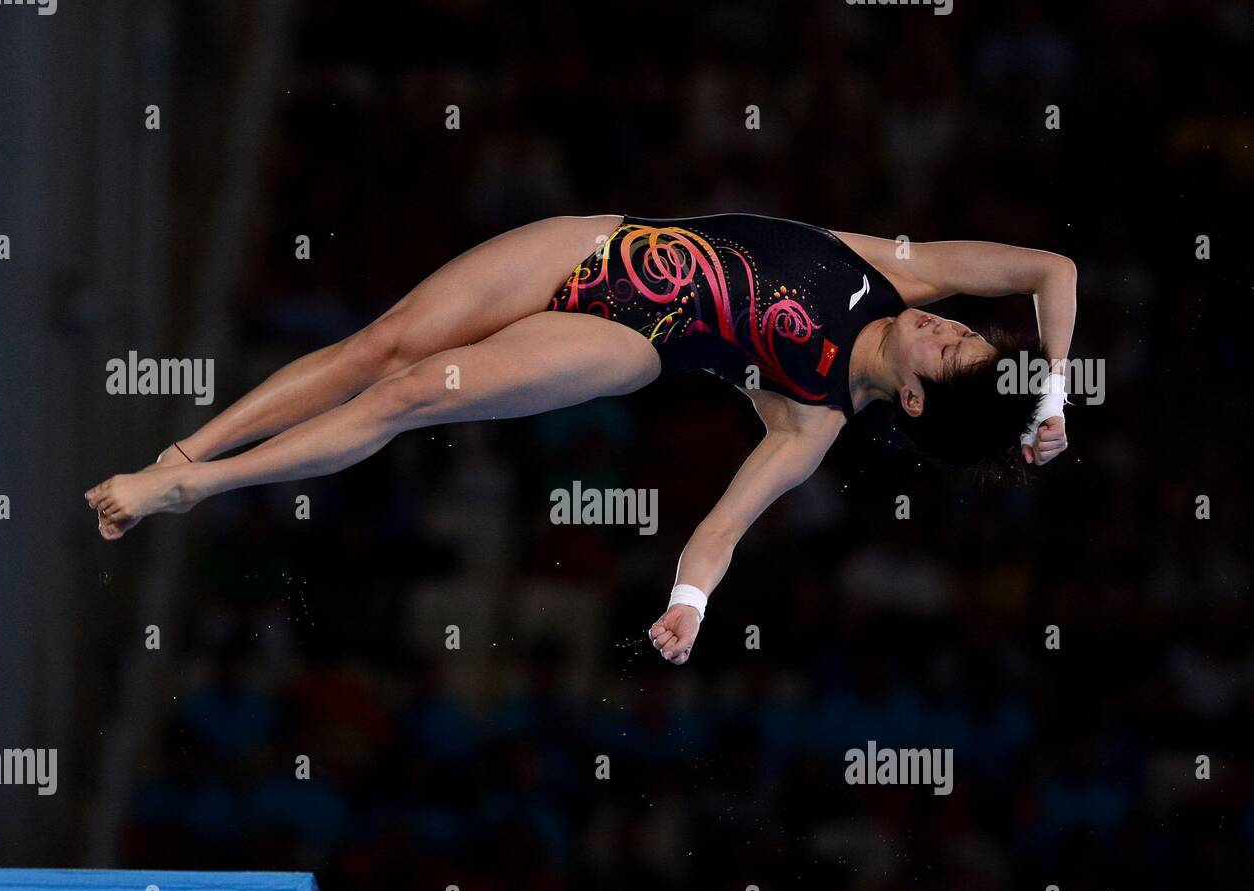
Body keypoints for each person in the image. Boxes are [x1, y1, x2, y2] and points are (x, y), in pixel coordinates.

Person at [85, 213, 1076, 665]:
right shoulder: (897, 270)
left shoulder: (810, 414)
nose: (950, 328)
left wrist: (688, 603)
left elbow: (721, 532)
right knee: (372, 345)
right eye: (961, 331)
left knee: (411, 391)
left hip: (618, 339)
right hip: (594, 244)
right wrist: (1052, 399)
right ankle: (183, 453)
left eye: (948, 355)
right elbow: (1051, 269)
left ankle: (198, 489)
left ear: (911, 397)